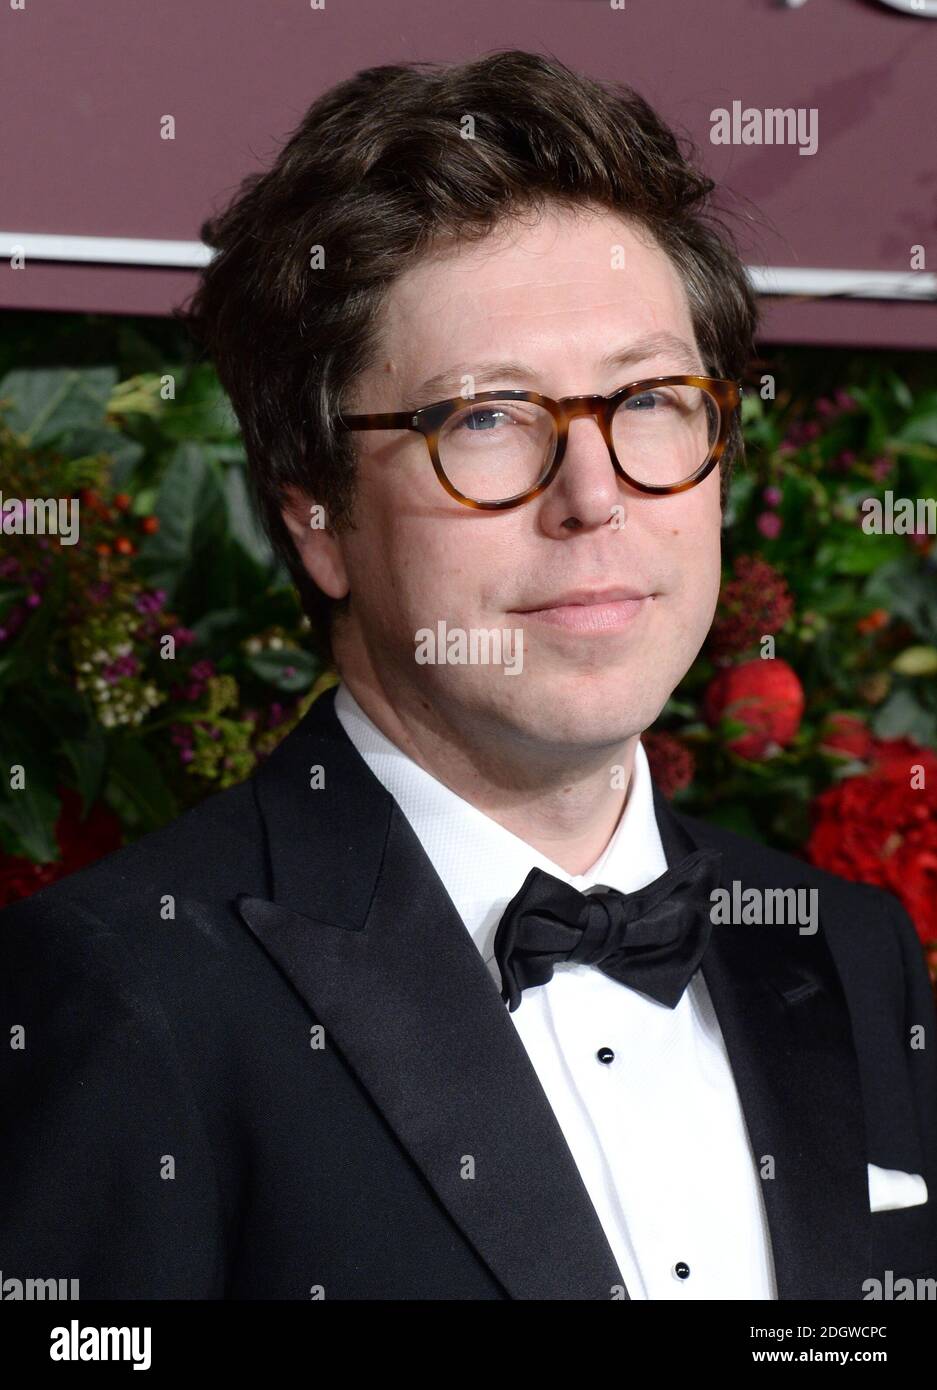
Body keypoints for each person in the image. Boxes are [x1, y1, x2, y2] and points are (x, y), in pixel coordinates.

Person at [1, 50, 934, 1301]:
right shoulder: (127, 984)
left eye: (651, 398)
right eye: (483, 419)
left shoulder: (849, 946)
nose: (595, 499)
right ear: (316, 513)